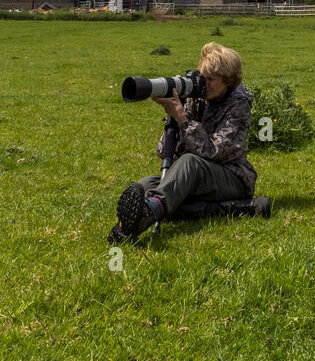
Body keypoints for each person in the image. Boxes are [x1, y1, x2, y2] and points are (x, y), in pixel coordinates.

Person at [109, 42, 268, 242]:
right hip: (196, 176)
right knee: (147, 185)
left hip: (231, 177)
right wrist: (174, 115)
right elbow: (162, 151)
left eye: (211, 79)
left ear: (229, 81)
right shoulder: (197, 97)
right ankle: (237, 209)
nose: (205, 84)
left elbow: (213, 152)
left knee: (188, 163)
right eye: (203, 78)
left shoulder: (239, 105)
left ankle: (147, 214)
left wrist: (184, 121)